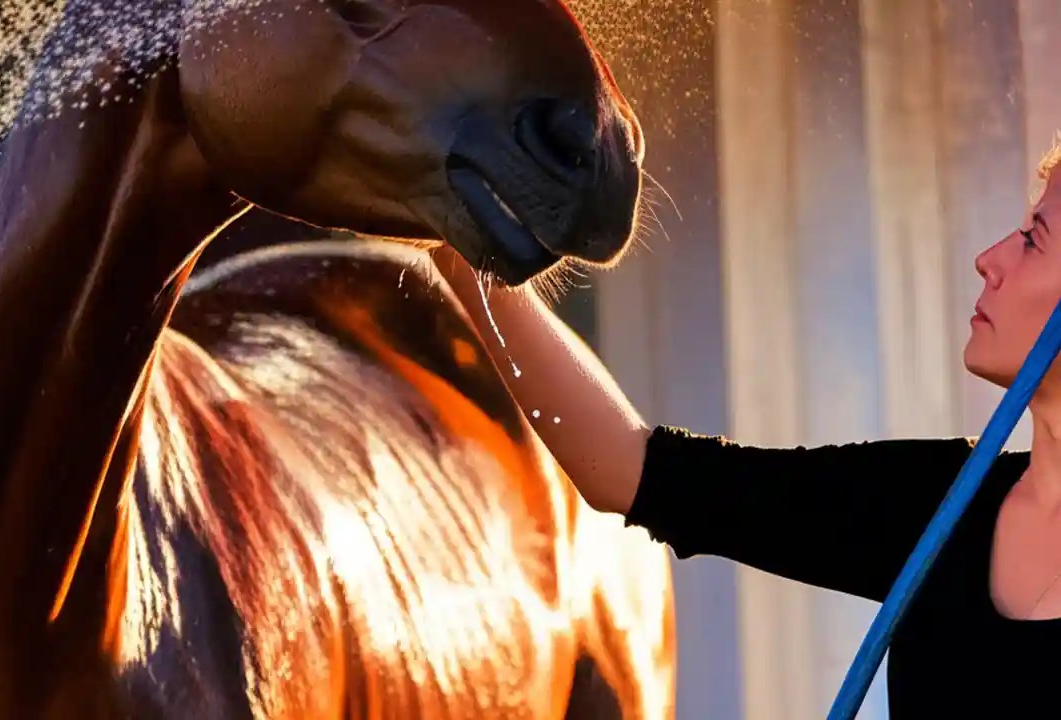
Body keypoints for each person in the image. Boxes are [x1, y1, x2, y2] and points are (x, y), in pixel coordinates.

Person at [426, 135, 1061, 718]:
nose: (989, 259)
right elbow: (628, 469)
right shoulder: (938, 503)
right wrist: (464, 251)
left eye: (1034, 238)